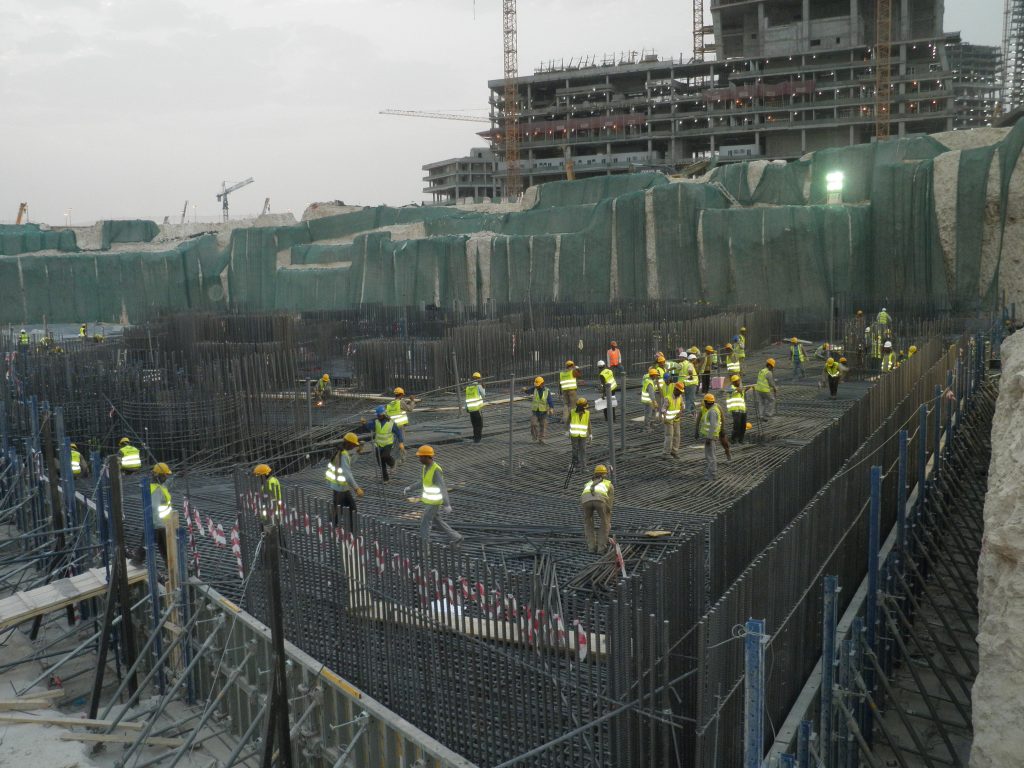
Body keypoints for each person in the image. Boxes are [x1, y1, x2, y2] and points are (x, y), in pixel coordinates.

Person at [404, 445, 462, 551]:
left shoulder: (436, 470)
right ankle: (456, 537)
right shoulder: (425, 468)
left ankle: (424, 547)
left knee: (425, 522)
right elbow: (423, 481)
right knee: (437, 521)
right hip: (429, 501)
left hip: (434, 502)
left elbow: (442, 487)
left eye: (421, 457)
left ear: (427, 457)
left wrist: (446, 504)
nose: (419, 459)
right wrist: (410, 488)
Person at [132, 462, 173, 568]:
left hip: (157, 523)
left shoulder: (156, 486)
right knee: (165, 549)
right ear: (159, 476)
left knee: (157, 547)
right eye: (165, 475)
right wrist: (158, 525)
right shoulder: (156, 491)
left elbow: (166, 485)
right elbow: (154, 508)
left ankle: (137, 561)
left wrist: (174, 478)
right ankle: (170, 567)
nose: (166, 477)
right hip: (158, 523)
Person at [325, 433, 363, 531]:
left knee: (346, 509)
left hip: (339, 487)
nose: (354, 446)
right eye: (354, 445)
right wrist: (356, 488)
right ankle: (333, 528)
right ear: (349, 443)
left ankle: (345, 529)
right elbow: (347, 474)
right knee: (343, 510)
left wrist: (358, 453)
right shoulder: (343, 454)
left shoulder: (340, 451)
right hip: (340, 488)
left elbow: (348, 464)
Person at [357, 405, 405, 481]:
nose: (378, 416)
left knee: (385, 456)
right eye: (377, 415)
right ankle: (385, 479)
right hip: (378, 444)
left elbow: (398, 432)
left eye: (379, 415)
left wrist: (401, 442)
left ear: (383, 414)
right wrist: (364, 423)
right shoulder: (376, 421)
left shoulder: (391, 423)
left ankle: (393, 463)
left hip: (388, 443)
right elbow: (369, 426)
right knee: (381, 462)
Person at [580, 465, 614, 554]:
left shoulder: (588, 483)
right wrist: (607, 515)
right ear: (605, 475)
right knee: (604, 522)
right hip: (600, 500)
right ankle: (601, 549)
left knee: (588, 523)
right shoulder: (608, 484)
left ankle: (591, 547)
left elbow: (584, 495)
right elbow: (609, 505)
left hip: (585, 500)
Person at [698, 394, 729, 481]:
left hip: (710, 438)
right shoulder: (713, 409)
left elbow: (712, 426)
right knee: (710, 456)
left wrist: (709, 437)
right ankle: (711, 473)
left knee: (710, 457)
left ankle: (712, 475)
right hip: (711, 437)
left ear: (706, 402)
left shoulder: (712, 412)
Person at [523, 376, 556, 443]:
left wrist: (551, 408)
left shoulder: (547, 391)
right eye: (536, 385)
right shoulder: (534, 389)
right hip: (535, 411)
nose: (537, 386)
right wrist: (525, 390)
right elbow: (528, 391)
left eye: (538, 385)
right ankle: (535, 437)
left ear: (542, 384)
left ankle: (541, 439)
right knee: (533, 424)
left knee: (543, 425)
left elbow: (550, 400)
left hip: (543, 412)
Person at [661, 381, 685, 459]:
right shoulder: (668, 398)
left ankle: (674, 451)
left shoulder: (680, 397)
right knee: (669, 436)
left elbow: (682, 406)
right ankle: (666, 453)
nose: (680, 393)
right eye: (680, 391)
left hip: (676, 420)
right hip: (669, 420)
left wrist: (681, 411)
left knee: (677, 435)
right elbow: (663, 409)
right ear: (675, 390)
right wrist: (664, 418)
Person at [569, 397, 592, 470]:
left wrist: (590, 433)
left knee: (583, 450)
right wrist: (567, 430)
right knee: (575, 450)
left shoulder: (587, 413)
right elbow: (567, 421)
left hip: (583, 435)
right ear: (580, 407)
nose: (585, 408)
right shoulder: (572, 412)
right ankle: (575, 465)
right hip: (574, 435)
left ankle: (584, 466)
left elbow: (589, 423)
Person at [726, 375, 748, 444]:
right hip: (735, 410)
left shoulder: (740, 388)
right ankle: (733, 439)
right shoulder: (731, 388)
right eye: (736, 381)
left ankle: (741, 440)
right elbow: (729, 390)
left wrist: (747, 389)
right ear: (733, 382)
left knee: (743, 426)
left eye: (738, 381)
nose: (737, 382)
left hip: (742, 410)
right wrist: (740, 389)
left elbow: (742, 391)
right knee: (737, 426)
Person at [464, 372, 486, 443]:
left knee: (474, 424)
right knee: (479, 425)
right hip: (477, 409)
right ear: (479, 378)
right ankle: (477, 439)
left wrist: (466, 408)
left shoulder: (468, 387)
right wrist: (483, 387)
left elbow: (466, 399)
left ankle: (475, 437)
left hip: (471, 409)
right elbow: (484, 395)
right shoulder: (478, 386)